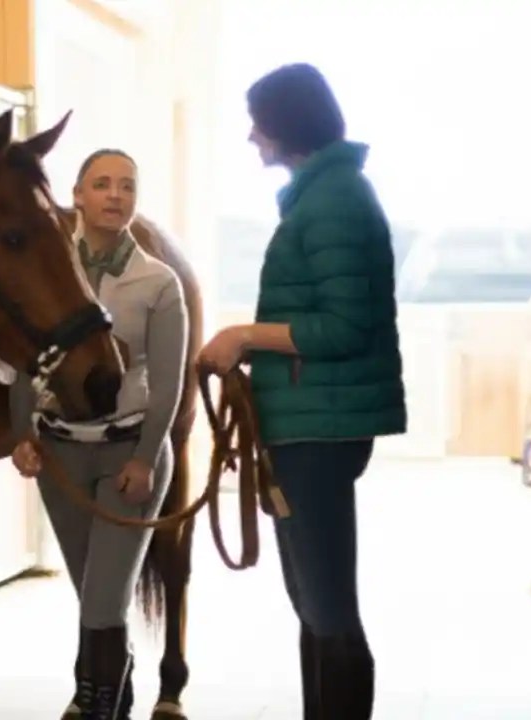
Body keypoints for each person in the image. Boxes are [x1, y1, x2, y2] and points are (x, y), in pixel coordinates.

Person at [196, 63, 406, 719]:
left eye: (259, 121)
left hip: (320, 430)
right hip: (309, 424)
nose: (252, 136)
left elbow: (345, 326)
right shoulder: (326, 195)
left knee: (328, 606)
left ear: (288, 125)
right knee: (314, 604)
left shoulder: (334, 201)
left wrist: (246, 337)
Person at [9, 148, 188, 720]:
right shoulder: (44, 277)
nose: (116, 195)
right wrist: (22, 434)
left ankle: (96, 707)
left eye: (128, 186)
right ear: (78, 196)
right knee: (92, 595)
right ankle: (118, 682)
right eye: (102, 184)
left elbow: (167, 383)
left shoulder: (157, 284)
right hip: (62, 456)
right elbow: (20, 366)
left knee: (105, 602)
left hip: (129, 454)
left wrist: (143, 458)